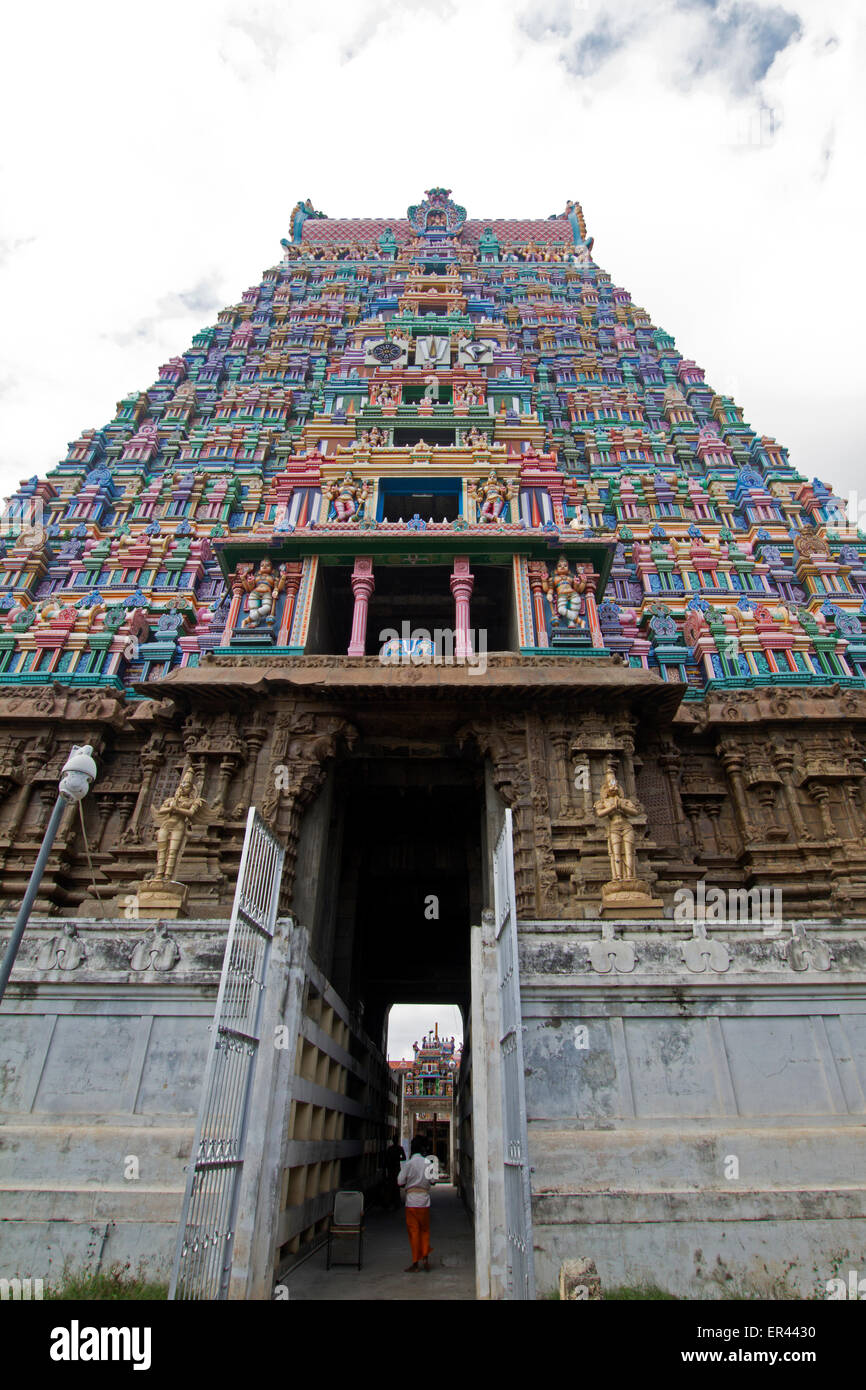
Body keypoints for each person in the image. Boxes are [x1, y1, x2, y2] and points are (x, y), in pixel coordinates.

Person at [398, 1135, 433, 1272]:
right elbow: (433, 1180)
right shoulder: (428, 1163)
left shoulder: (409, 1164)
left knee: (414, 1231)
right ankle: (425, 1257)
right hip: (424, 1201)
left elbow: (400, 1181)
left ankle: (415, 1262)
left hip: (412, 1201)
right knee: (424, 1230)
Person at [383, 1133, 406, 1211]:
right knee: (395, 1186)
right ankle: (394, 1202)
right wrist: (397, 1160)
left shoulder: (391, 1148)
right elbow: (404, 1157)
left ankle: (390, 1202)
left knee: (392, 1185)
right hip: (394, 1168)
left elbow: (386, 1159)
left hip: (392, 1168)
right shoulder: (399, 1148)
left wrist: (395, 1160)